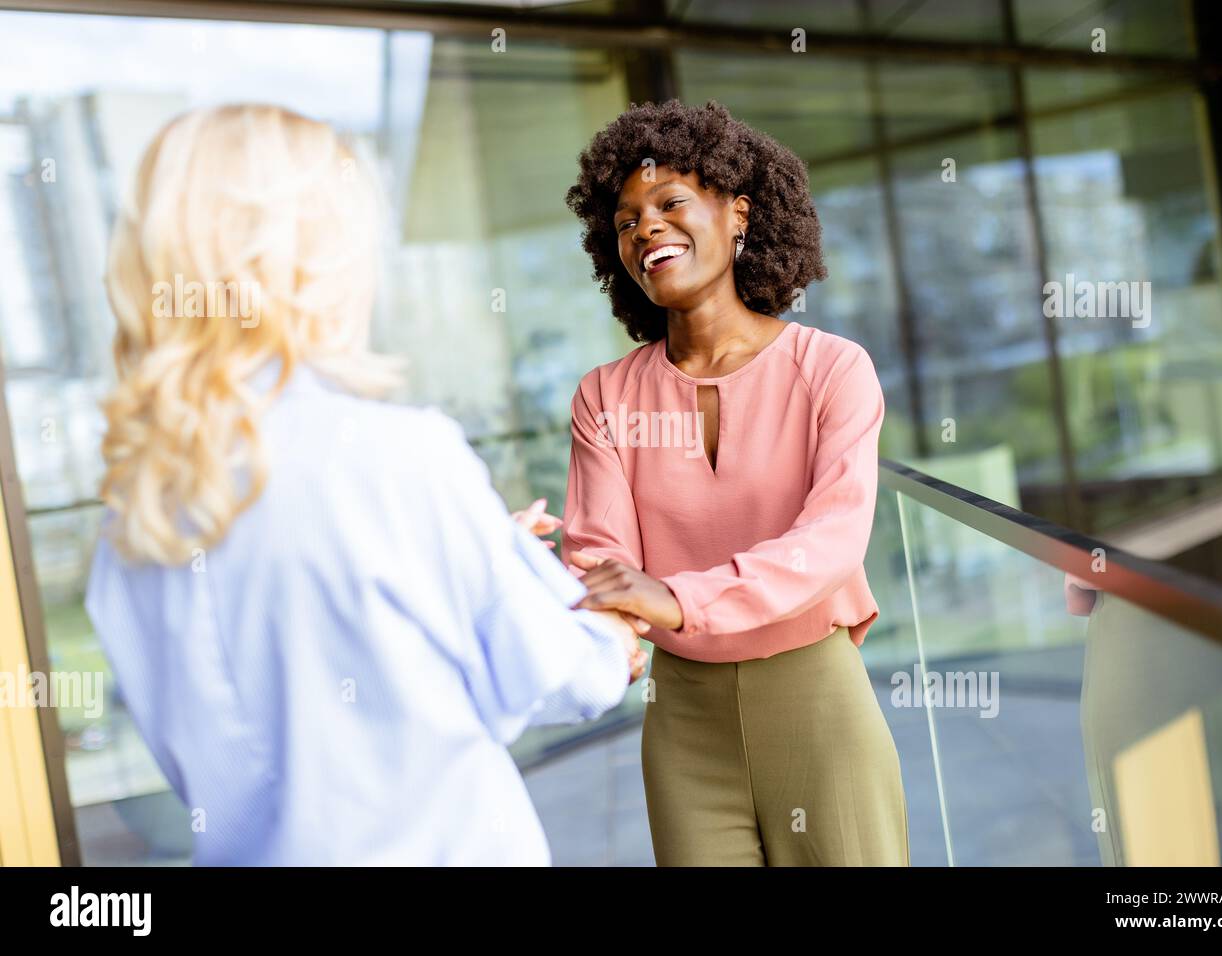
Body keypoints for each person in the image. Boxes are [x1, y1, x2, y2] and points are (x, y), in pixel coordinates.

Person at [85, 103, 645, 866]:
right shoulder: (392, 458)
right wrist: (609, 633)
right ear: (314, 260)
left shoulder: (134, 517)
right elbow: (552, 672)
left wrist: (473, 559)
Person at [562, 100, 909, 866]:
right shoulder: (604, 398)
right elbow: (598, 559)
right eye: (624, 221)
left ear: (739, 215)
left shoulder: (833, 370)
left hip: (817, 696)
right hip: (683, 718)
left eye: (669, 203)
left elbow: (832, 540)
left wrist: (676, 597)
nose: (645, 227)